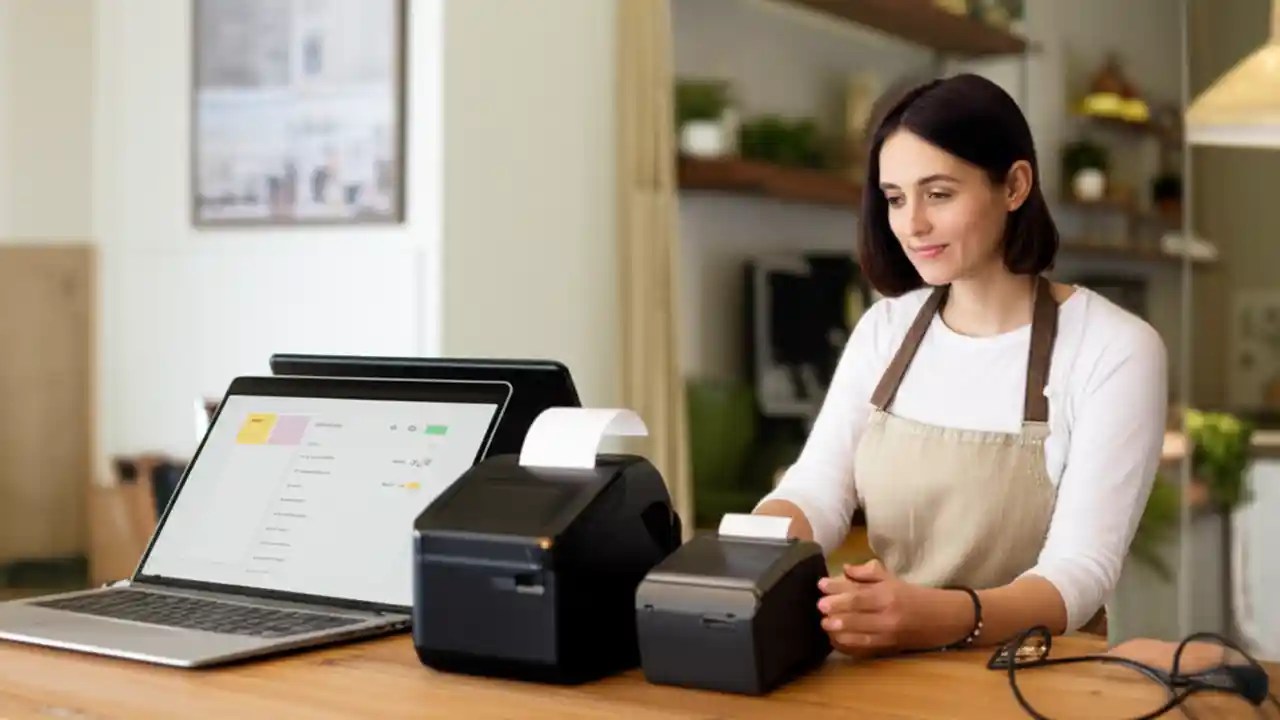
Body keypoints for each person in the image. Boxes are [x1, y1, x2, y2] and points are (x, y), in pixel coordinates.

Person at [753, 73, 1168, 657]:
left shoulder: (1113, 347)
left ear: (1015, 185)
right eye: (896, 198)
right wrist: (748, 551)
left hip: (1040, 679)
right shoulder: (886, 330)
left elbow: (1081, 570)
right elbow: (818, 489)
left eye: (939, 193)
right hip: (894, 671)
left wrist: (938, 616)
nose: (912, 223)